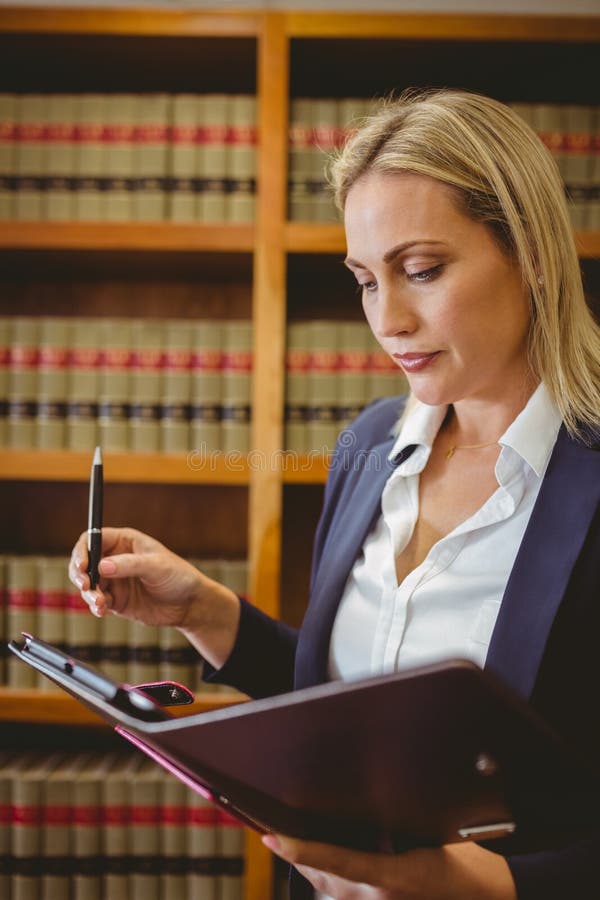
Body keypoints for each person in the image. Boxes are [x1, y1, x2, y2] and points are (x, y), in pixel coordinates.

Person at [70, 88, 600, 900]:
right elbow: (356, 711)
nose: (386, 319)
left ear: (528, 250)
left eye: (420, 270)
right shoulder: (369, 445)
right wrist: (206, 611)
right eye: (364, 280)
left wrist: (486, 888)